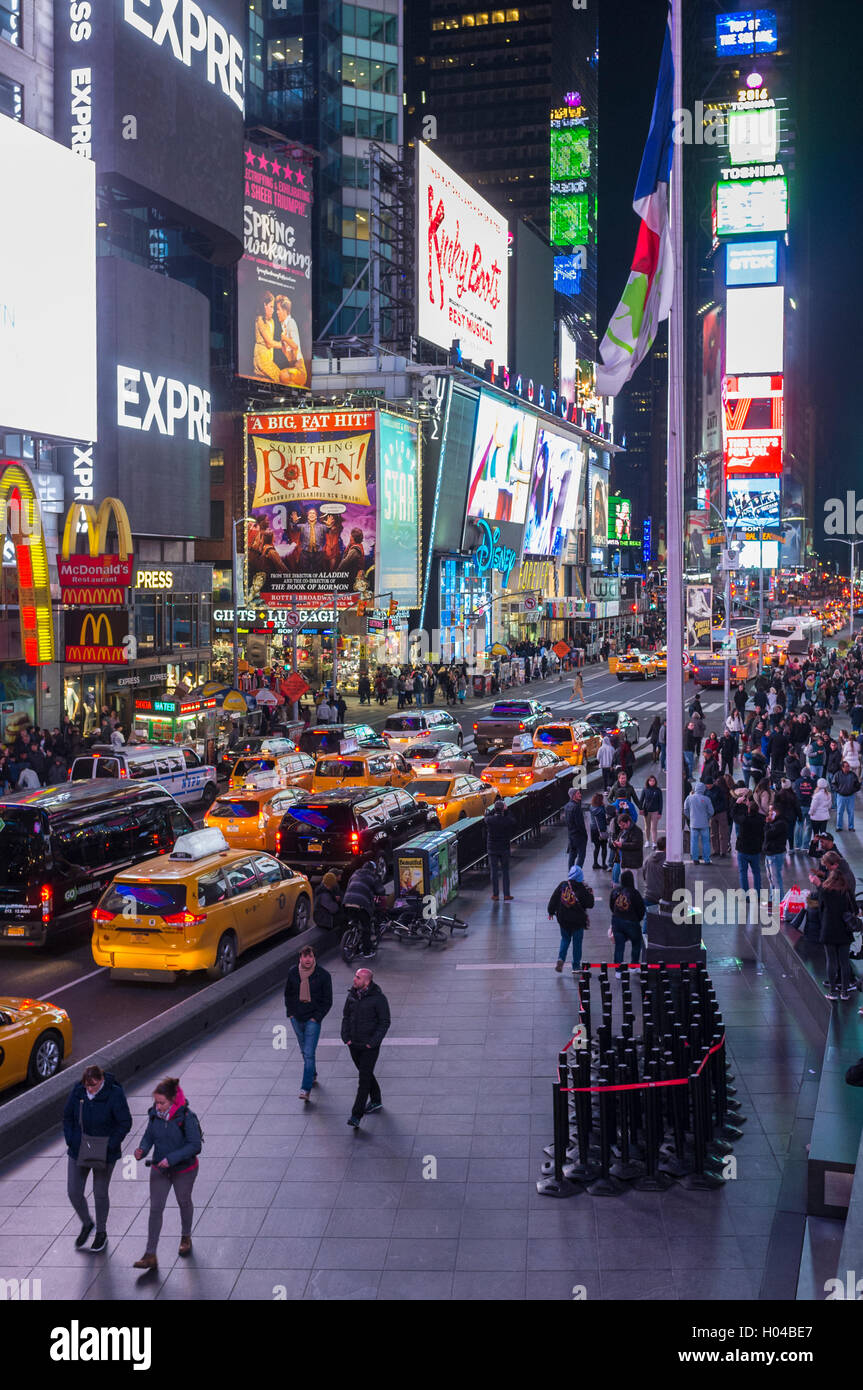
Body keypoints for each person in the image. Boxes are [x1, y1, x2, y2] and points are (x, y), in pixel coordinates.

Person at [131, 1077, 202, 1271]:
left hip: (184, 1170)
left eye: (162, 1103)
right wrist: (142, 1150)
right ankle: (150, 1254)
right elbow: (149, 1136)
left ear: (172, 1100)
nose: (158, 1106)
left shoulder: (187, 1117)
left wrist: (171, 1158)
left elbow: (195, 1145)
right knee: (155, 1209)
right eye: (156, 1102)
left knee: (183, 1201)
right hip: (159, 1169)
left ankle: (186, 1236)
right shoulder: (154, 1115)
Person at [63, 1064, 132, 1254]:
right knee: (73, 1191)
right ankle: (87, 1223)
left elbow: (125, 1122)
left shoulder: (114, 1094)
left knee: (100, 1192)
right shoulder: (79, 1092)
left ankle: (101, 1232)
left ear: (101, 1081)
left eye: (93, 1086)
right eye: (87, 1086)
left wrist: (111, 1144)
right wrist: (72, 1140)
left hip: (104, 1151)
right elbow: (67, 1117)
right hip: (79, 1148)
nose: (89, 1090)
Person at [342, 967, 391, 1127]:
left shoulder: (379, 999)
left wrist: (373, 1042)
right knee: (366, 1073)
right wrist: (346, 1037)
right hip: (353, 1044)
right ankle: (376, 1100)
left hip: (369, 1047)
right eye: (355, 976)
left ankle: (356, 1115)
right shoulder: (352, 995)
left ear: (366, 981)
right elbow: (346, 1016)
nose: (354, 979)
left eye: (358, 977)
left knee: (363, 1080)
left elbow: (384, 1022)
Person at [284, 947, 333, 1101]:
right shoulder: (293, 972)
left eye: (310, 956)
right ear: (300, 958)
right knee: (305, 1051)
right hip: (296, 1018)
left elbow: (327, 1000)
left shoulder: (323, 975)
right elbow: (288, 994)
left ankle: (305, 1088)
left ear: (314, 958)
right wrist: (291, 1014)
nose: (307, 960)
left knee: (308, 1053)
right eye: (304, 957)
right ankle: (312, 1074)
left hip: (313, 1019)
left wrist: (316, 1018)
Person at [547, 865, 595, 976]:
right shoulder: (583, 889)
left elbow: (553, 899)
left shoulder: (563, 885)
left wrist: (550, 911)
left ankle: (561, 958)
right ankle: (576, 966)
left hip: (563, 919)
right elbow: (590, 904)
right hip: (577, 922)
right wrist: (591, 894)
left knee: (565, 939)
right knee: (577, 943)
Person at [818, 867, 856, 1001]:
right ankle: (844, 992)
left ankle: (833, 991)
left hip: (829, 930)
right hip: (844, 931)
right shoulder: (846, 891)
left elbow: (820, 909)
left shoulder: (824, 890)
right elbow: (854, 910)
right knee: (844, 962)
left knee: (831, 961)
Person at [343, 860, 382, 958]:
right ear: (373, 870)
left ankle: (354, 947)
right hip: (361, 903)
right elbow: (380, 890)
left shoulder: (355, 873)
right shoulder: (372, 876)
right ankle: (367, 952)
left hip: (347, 902)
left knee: (354, 922)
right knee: (366, 927)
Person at [609, 869, 647, 966]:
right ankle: (634, 965)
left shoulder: (615, 891)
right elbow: (641, 910)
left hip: (617, 921)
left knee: (619, 946)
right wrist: (637, 920)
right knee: (636, 942)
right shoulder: (635, 893)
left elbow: (611, 905)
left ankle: (618, 969)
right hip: (631, 921)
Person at [731, 792, 766, 896]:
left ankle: (745, 895)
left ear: (749, 809)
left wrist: (737, 803)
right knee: (756, 872)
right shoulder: (761, 819)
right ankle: (758, 893)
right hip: (755, 849)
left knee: (743, 873)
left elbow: (733, 815)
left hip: (743, 849)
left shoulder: (744, 819)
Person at [485, 794, 517, 901]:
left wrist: (493, 811)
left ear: (494, 809)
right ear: (503, 809)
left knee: (494, 872)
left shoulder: (490, 820)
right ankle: (507, 894)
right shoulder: (506, 820)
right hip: (504, 848)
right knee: (505, 871)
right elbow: (513, 820)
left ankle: (495, 894)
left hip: (492, 848)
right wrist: (507, 811)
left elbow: (486, 817)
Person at [684, 781, 714, 866]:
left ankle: (695, 859)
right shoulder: (707, 799)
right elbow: (711, 812)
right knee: (706, 842)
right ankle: (707, 859)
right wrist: (706, 818)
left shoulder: (689, 798)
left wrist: (690, 817)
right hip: (704, 824)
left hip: (693, 824)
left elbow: (685, 810)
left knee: (694, 842)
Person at [763, 806, 788, 900]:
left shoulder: (780, 823)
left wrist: (767, 823)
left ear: (776, 812)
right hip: (770, 853)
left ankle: (778, 900)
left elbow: (768, 834)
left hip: (775, 854)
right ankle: (773, 898)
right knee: (771, 878)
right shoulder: (775, 823)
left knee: (776, 879)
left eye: (770, 810)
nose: (769, 812)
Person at [565, 787, 589, 870]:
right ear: (573, 796)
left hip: (571, 835)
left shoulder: (567, 806)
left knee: (572, 855)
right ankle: (577, 875)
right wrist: (585, 835)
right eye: (578, 793)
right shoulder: (576, 807)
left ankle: (570, 875)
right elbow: (580, 823)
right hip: (579, 836)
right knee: (581, 856)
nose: (580, 795)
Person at [834, 761, 860, 832]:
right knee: (839, 812)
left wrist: (853, 790)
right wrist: (838, 790)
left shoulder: (853, 775)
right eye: (846, 766)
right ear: (842, 767)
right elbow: (833, 784)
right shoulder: (837, 775)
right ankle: (839, 827)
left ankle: (851, 827)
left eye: (848, 766)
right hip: (840, 796)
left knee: (851, 812)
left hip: (850, 796)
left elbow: (857, 784)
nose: (848, 768)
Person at [641, 835, 666, 908]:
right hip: (661, 897)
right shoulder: (667, 861)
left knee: (648, 918)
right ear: (666, 848)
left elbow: (644, 875)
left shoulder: (648, 858)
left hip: (648, 895)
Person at [640, 774, 663, 848]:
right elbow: (641, 800)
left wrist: (660, 812)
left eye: (653, 781)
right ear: (648, 781)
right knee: (647, 827)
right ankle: (647, 841)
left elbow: (661, 802)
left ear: (655, 782)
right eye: (650, 781)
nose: (652, 782)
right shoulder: (645, 789)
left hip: (655, 811)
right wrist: (641, 809)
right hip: (647, 811)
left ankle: (654, 842)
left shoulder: (658, 790)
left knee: (654, 827)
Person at [589, 793, 609, 869]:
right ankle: (604, 864)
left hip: (594, 829)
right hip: (602, 830)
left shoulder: (591, 807)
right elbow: (606, 816)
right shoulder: (602, 809)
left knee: (596, 847)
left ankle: (595, 863)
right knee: (604, 847)